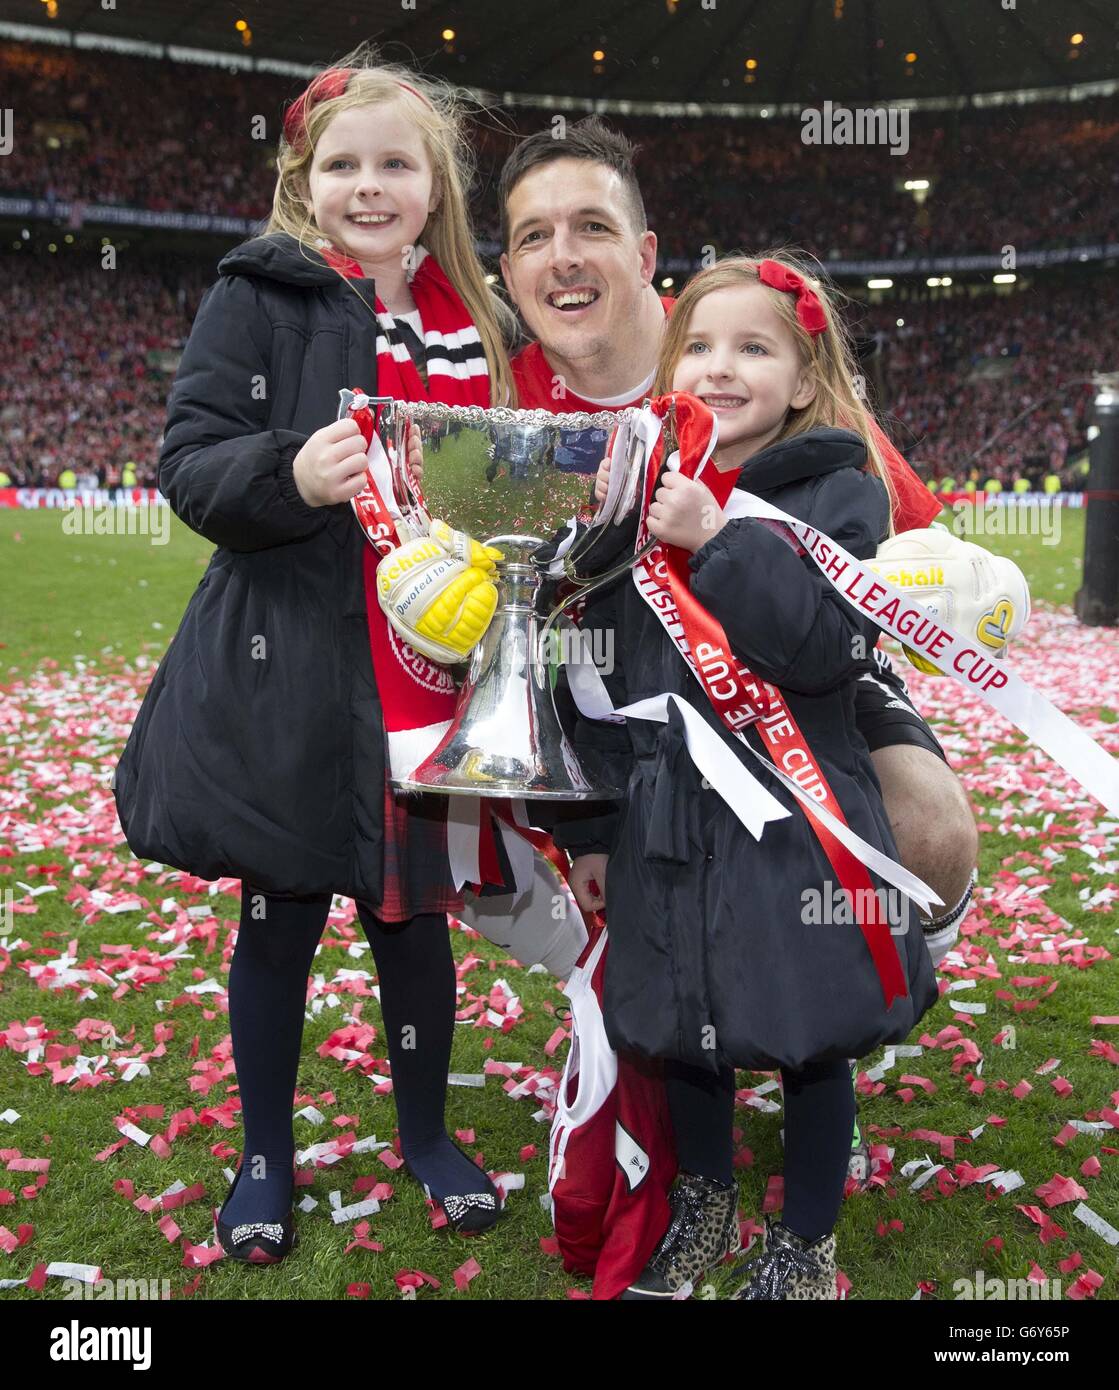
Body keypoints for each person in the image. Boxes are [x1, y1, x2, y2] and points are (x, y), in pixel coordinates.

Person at [112, 50, 517, 1261]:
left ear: (436, 184)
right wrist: (288, 471)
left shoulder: (470, 315)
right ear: (304, 182)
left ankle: (428, 1133)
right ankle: (263, 1156)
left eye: (397, 162)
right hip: (292, 659)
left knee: (414, 923)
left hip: (428, 678)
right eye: (343, 164)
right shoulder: (260, 294)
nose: (371, 184)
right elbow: (190, 460)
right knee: (279, 918)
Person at [498, 116, 978, 966]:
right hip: (602, 692)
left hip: (791, 663)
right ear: (509, 270)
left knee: (926, 830)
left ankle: (861, 980)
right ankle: (625, 990)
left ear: (646, 256)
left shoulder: (741, 339)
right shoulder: (493, 395)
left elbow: (906, 532)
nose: (562, 258)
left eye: (592, 228)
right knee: (446, 827)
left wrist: (962, 588)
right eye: (535, 236)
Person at [555, 253, 939, 1298]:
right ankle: (706, 1201)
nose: (723, 368)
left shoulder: (843, 489)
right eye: (703, 346)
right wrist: (593, 827)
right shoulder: (636, 479)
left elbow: (820, 646)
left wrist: (720, 537)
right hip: (667, 814)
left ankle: (807, 1238)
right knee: (689, 1031)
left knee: (812, 1036)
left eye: (754, 348)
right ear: (672, 363)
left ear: (805, 377)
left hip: (796, 817)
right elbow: (605, 670)